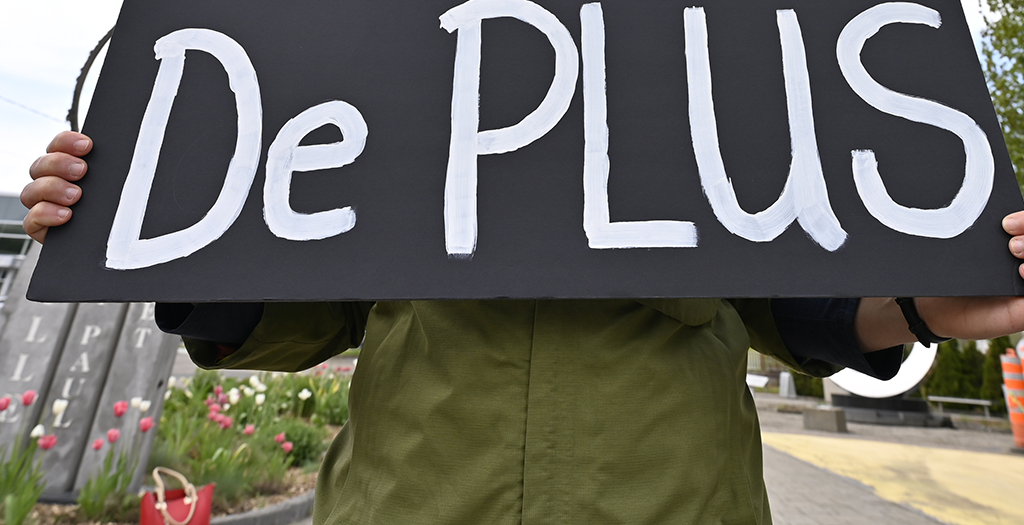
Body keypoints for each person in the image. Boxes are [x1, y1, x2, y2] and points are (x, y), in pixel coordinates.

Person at [23, 130, 1024, 525]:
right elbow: (293, 309)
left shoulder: (711, 124)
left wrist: (921, 303)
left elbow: (803, 304)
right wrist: (149, 218)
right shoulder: (401, 122)